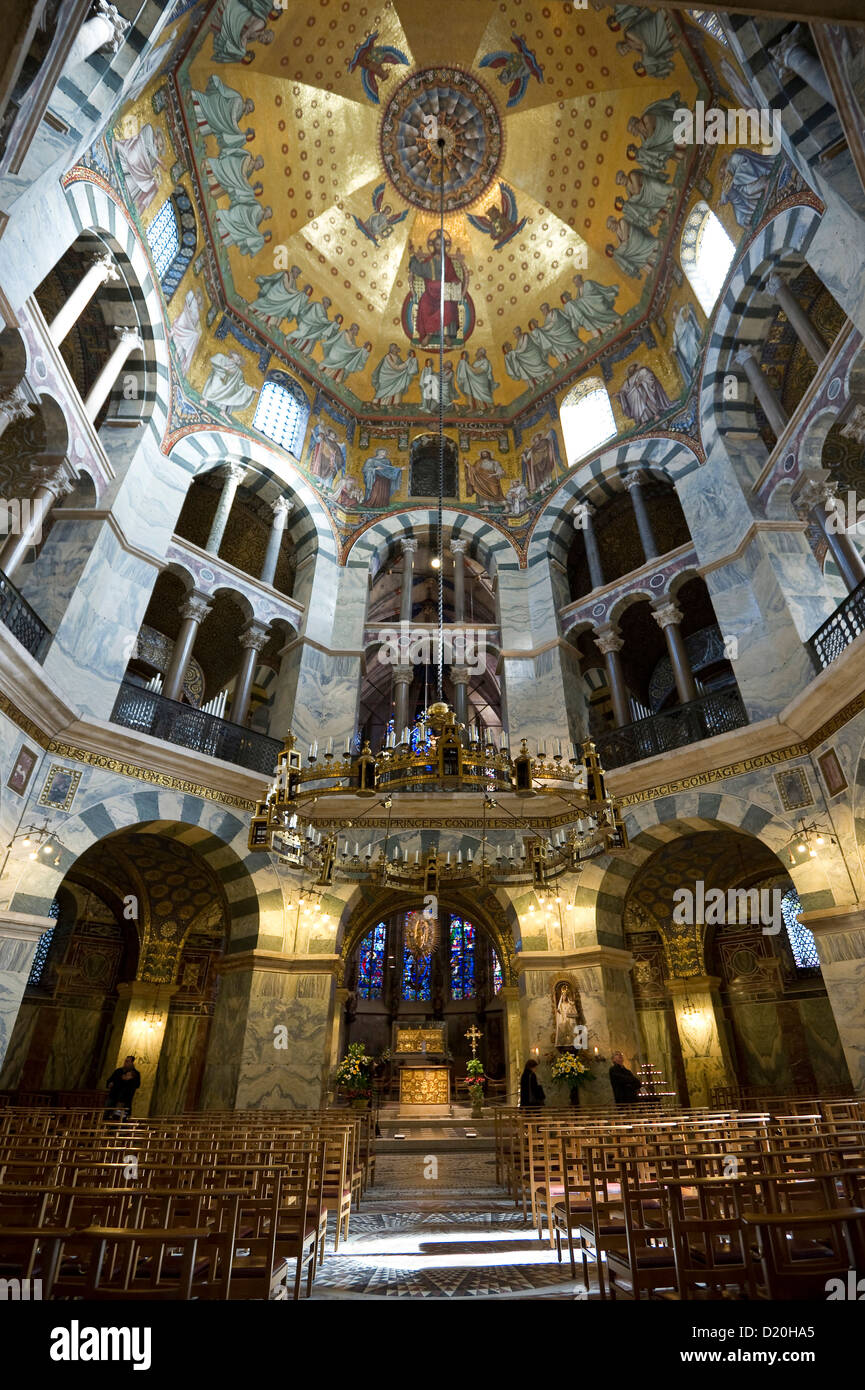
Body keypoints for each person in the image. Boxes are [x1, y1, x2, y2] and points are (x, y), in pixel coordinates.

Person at [105, 1054, 141, 1119]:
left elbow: (137, 1085)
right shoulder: (118, 1071)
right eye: (125, 1061)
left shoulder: (135, 1074)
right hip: (113, 1096)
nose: (125, 1063)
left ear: (132, 1063)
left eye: (127, 1061)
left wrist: (129, 1079)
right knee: (106, 1114)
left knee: (120, 1117)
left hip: (124, 1099)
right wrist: (110, 1083)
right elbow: (110, 1080)